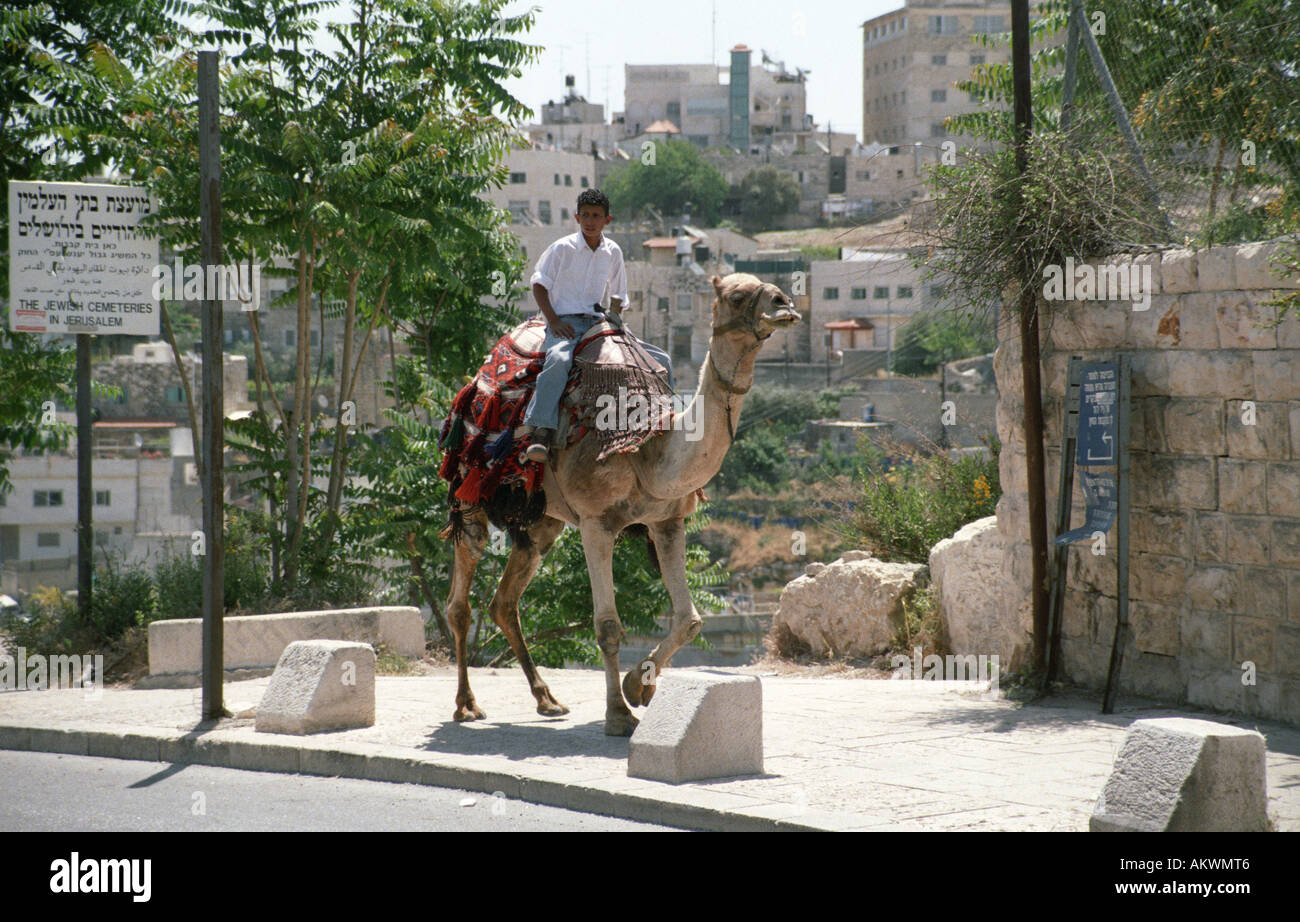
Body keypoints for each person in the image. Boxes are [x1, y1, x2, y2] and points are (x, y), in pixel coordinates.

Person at [521, 188, 673, 462]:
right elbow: (539, 285)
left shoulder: (612, 251)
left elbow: (620, 294)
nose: (590, 221)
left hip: (599, 322)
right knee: (558, 359)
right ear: (577, 217)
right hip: (564, 322)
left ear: (607, 220)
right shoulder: (561, 248)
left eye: (597, 216)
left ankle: (667, 422)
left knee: (661, 359)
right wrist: (553, 321)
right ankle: (541, 430)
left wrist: (616, 317)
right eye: (586, 215)